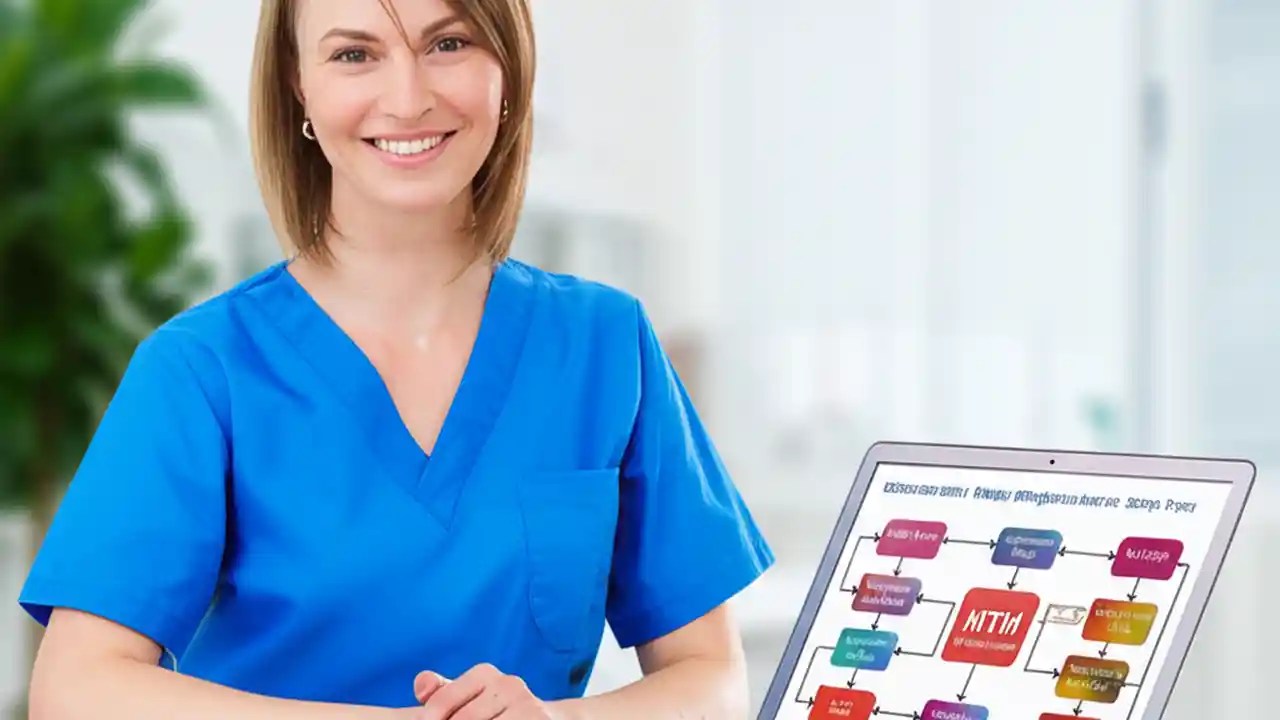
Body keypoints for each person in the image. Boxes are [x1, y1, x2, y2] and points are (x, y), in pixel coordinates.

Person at [18, 0, 775, 718]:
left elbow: (711, 680)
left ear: (506, 67)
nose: (408, 98)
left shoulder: (606, 345)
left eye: (449, 43)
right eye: (355, 53)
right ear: (298, 87)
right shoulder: (201, 369)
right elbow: (77, 688)